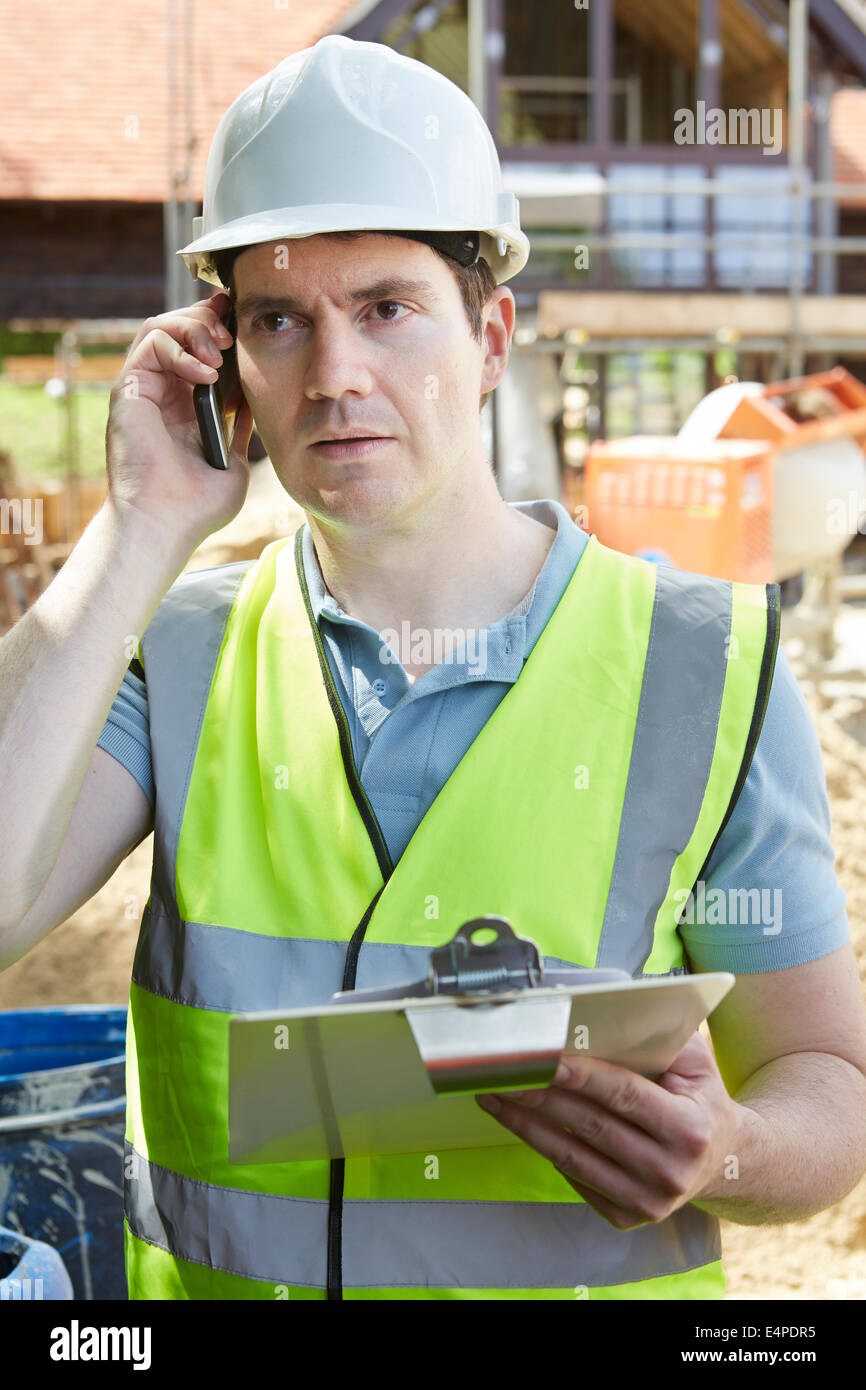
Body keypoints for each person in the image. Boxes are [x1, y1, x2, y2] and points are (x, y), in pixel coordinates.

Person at [2, 34, 865, 1302]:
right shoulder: (172, 651)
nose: (334, 375)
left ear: (493, 331)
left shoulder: (702, 666)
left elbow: (827, 1091)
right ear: (222, 363)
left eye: (386, 310)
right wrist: (136, 527)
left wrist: (728, 1147)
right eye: (278, 320)